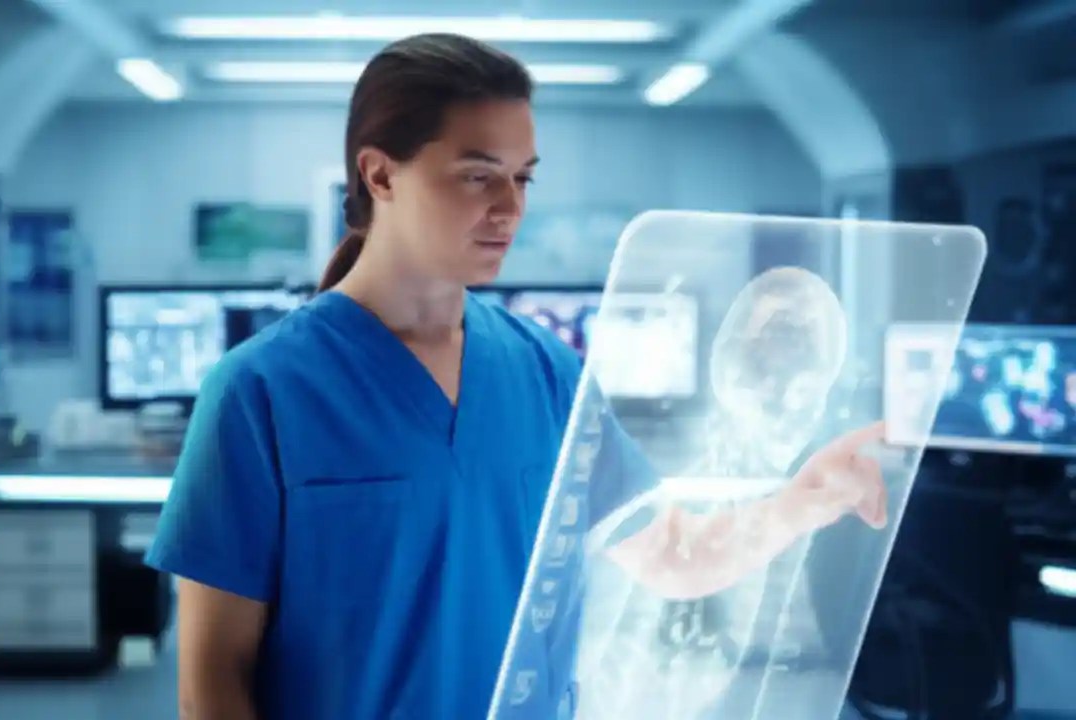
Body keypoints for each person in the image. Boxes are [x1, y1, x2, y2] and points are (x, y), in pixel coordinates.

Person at [145, 33, 888, 720]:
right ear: (380, 174)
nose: (510, 209)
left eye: (523, 179)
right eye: (478, 177)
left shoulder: (547, 375)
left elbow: (673, 555)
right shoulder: (262, 393)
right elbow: (214, 676)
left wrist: (800, 504)